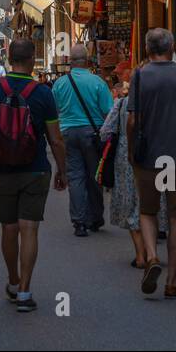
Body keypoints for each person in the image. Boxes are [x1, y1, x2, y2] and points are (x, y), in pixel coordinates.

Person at [0, 38, 66, 313]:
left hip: (1, 169)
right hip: (35, 168)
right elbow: (56, 139)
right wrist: (62, 169)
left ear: (9, 57)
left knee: (9, 228)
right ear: (32, 58)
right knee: (29, 229)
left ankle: (13, 281)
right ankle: (25, 291)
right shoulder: (43, 93)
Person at [129, 28, 176, 299]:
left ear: (148, 49)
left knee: (148, 212)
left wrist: (130, 151)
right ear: (172, 47)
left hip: (148, 156)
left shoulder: (139, 76)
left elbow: (131, 121)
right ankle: (172, 281)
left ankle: (151, 256)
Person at [51, 44, 113, 237]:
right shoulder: (98, 82)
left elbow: (54, 111)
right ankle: (95, 217)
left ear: (70, 62)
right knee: (95, 175)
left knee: (75, 175)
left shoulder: (60, 84)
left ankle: (79, 221)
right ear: (87, 61)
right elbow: (108, 112)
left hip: (68, 132)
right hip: (92, 134)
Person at [102, 84, 151, 270]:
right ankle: (151, 252)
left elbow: (105, 131)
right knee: (149, 205)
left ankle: (140, 255)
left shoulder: (121, 104)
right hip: (154, 155)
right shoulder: (156, 103)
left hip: (126, 156)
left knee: (131, 204)